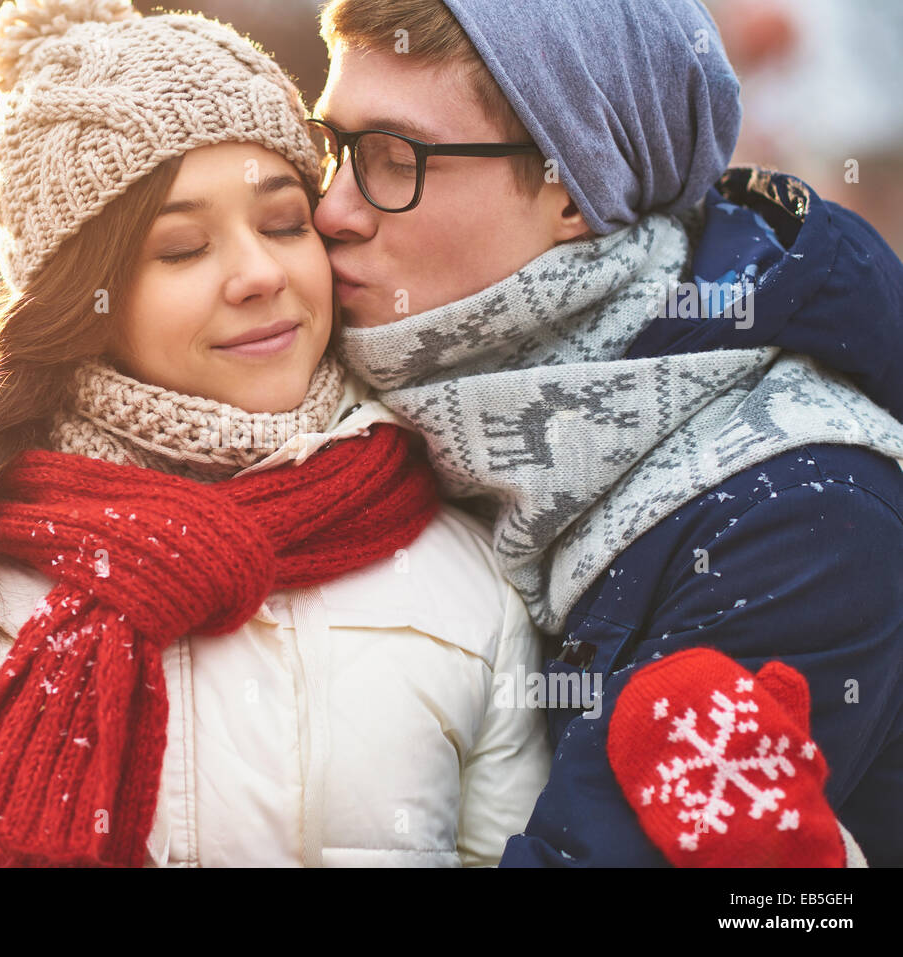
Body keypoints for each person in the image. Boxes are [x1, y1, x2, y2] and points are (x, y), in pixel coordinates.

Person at [0, 0, 550, 868]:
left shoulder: (463, 572)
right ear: (87, 304)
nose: (258, 273)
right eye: (182, 248)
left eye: (285, 222)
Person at [309, 0, 903, 866]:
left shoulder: (799, 521)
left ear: (573, 192)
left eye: (394, 160)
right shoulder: (427, 408)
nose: (333, 211)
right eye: (333, 148)